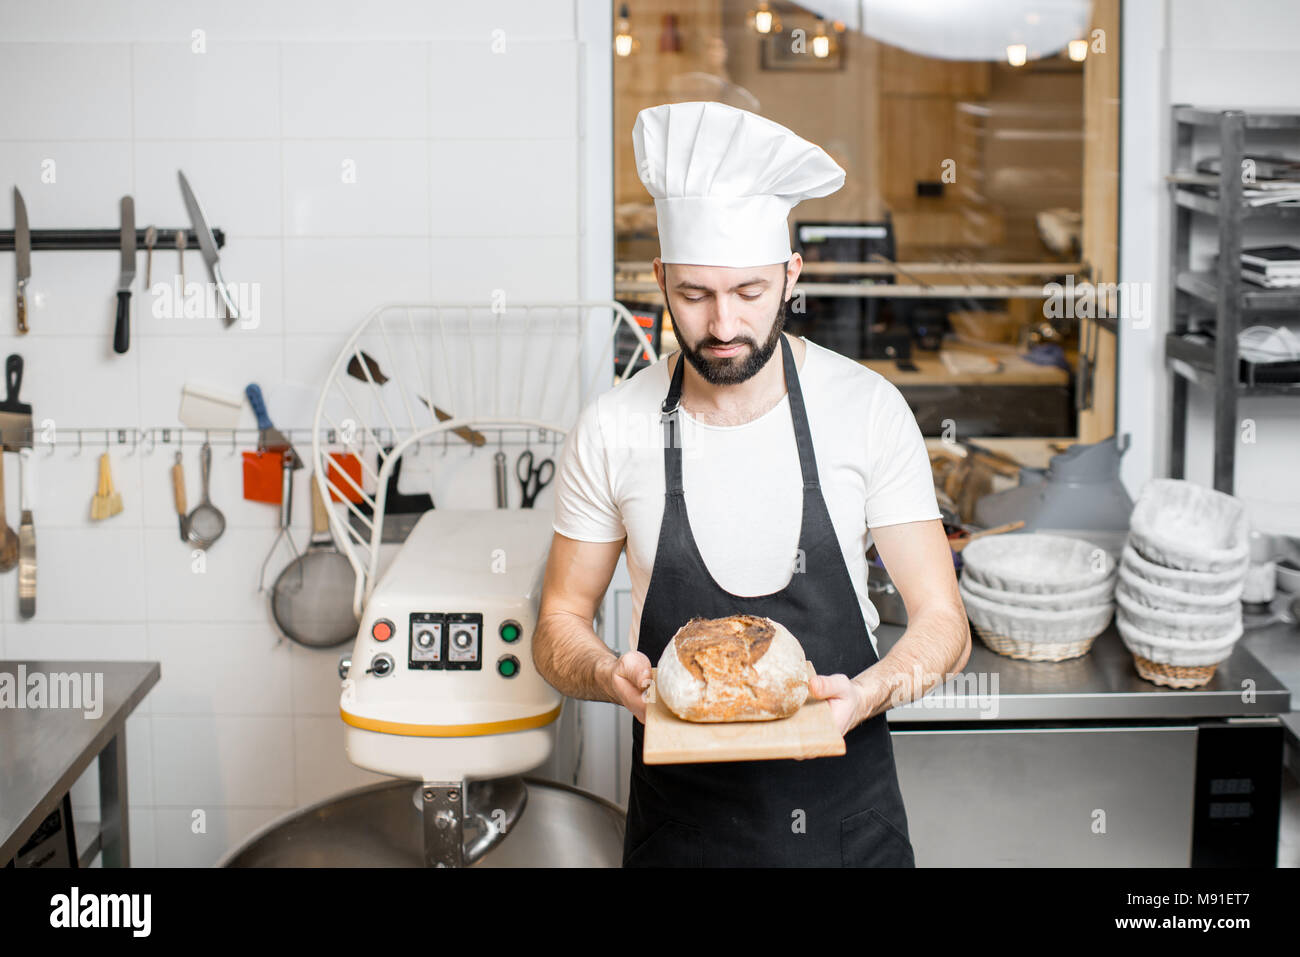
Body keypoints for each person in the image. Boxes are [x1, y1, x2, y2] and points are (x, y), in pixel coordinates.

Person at [533, 101, 970, 867]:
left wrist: (866, 693)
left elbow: (945, 624)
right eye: (695, 295)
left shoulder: (865, 409)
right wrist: (607, 673)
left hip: (847, 832)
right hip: (683, 840)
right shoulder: (611, 428)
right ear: (661, 278)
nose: (724, 324)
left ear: (790, 275)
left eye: (749, 292)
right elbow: (558, 621)